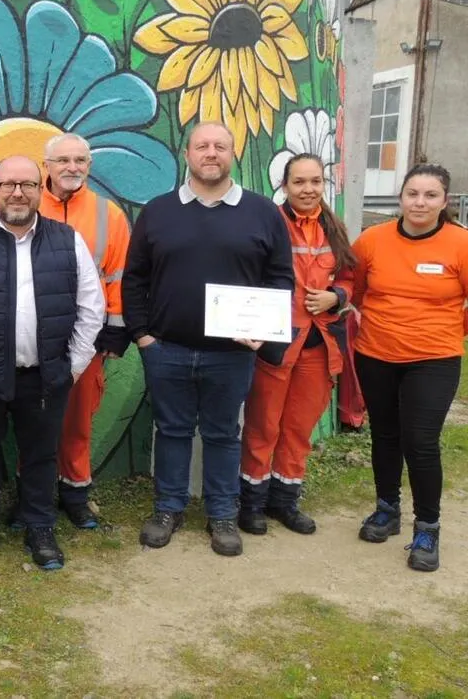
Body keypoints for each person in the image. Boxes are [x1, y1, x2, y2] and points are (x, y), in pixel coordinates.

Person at [123, 121, 293, 558]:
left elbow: (279, 277)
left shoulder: (262, 212)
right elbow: (134, 278)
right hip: (168, 349)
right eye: (202, 146)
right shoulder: (158, 211)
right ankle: (168, 509)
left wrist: (265, 328)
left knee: (222, 434)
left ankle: (222, 514)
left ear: (232, 153)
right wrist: (142, 337)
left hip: (232, 354)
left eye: (220, 146)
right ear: (188, 154)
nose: (211, 153)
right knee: (172, 431)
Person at [0, 155, 105, 570]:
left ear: (38, 191)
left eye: (27, 185)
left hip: (45, 375)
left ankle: (40, 526)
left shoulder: (68, 240)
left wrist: (74, 365)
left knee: (43, 454)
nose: (17, 192)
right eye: (8, 184)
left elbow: (91, 307)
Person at [352, 164, 468, 572]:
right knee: (384, 435)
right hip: (376, 354)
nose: (420, 202)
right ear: (400, 198)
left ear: (445, 201)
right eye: (413, 194)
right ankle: (387, 510)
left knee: (419, 441)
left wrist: (446, 332)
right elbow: (357, 289)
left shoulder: (461, 244)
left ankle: (428, 528)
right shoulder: (372, 240)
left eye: (430, 195)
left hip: (434, 359)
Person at [239, 154, 355, 535]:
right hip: (276, 344)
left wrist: (336, 296)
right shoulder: (268, 223)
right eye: (300, 182)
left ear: (325, 185)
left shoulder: (334, 228)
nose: (308, 189)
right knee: (263, 427)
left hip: (320, 346)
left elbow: (352, 276)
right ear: (284, 186)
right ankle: (252, 504)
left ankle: (284, 502)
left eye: (316, 182)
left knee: (298, 430)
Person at [37, 133, 130, 529]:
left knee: (77, 420)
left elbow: (119, 276)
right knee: (34, 419)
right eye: (63, 160)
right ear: (47, 166)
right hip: (32, 336)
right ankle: (34, 496)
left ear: (89, 166)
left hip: (86, 338)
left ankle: (75, 494)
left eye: (80, 160)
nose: (71, 167)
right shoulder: (24, 204)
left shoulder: (110, 215)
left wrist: (115, 331)